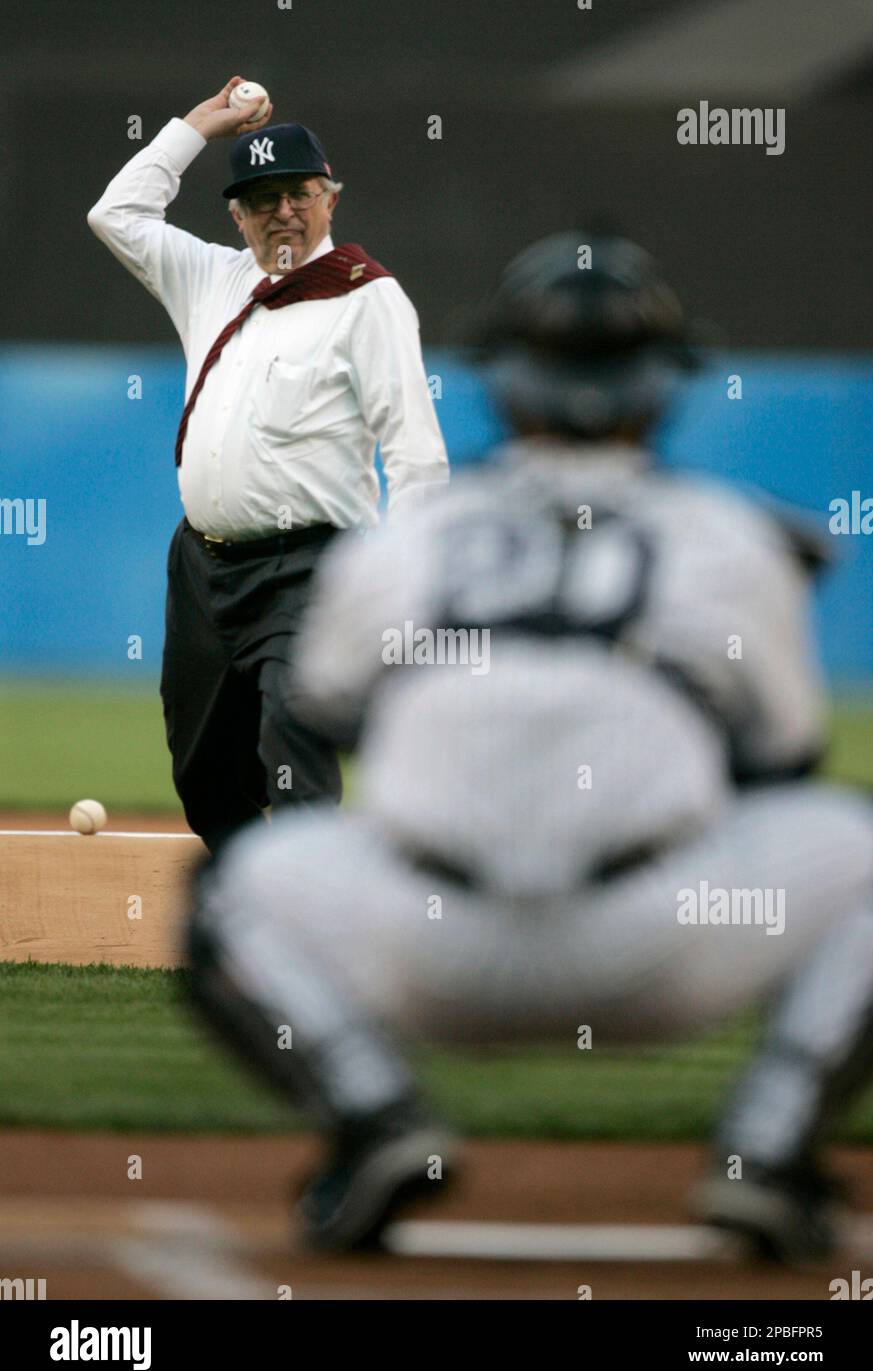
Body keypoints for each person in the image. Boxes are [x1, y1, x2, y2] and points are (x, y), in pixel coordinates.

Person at [183, 231, 873, 1259]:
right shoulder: (732, 534)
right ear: (663, 382)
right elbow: (781, 760)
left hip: (425, 937)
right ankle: (763, 1156)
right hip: (665, 942)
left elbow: (329, 714)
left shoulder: (408, 536)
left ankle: (375, 1115)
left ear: (503, 377)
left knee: (230, 889)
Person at [87, 76, 448, 855]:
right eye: (260, 198)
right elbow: (114, 215)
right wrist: (194, 127)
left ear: (329, 199)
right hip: (202, 568)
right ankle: (253, 910)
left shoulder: (365, 297)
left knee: (295, 743)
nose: (281, 210)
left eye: (297, 193)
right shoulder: (212, 278)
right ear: (236, 215)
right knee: (206, 777)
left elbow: (412, 448)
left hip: (312, 566)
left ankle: (322, 926)